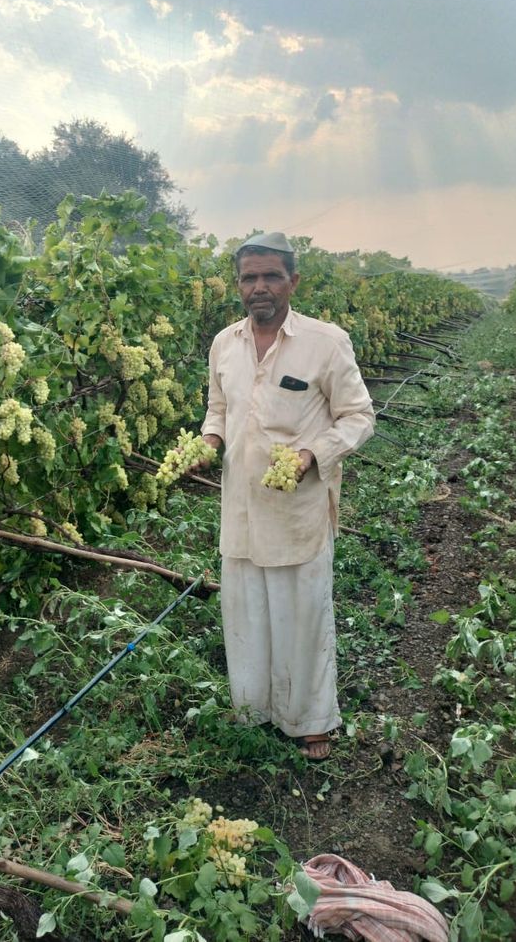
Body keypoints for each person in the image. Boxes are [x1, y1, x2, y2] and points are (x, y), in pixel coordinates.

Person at [199, 232, 375, 761]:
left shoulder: (325, 341)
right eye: (249, 277)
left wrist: (309, 456)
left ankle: (310, 721)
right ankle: (253, 710)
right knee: (246, 612)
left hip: (298, 510)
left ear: (293, 281)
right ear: (238, 285)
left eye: (271, 276)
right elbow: (218, 408)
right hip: (242, 509)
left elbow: (359, 416)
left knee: (301, 614)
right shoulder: (224, 344)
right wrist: (209, 442)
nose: (260, 287)